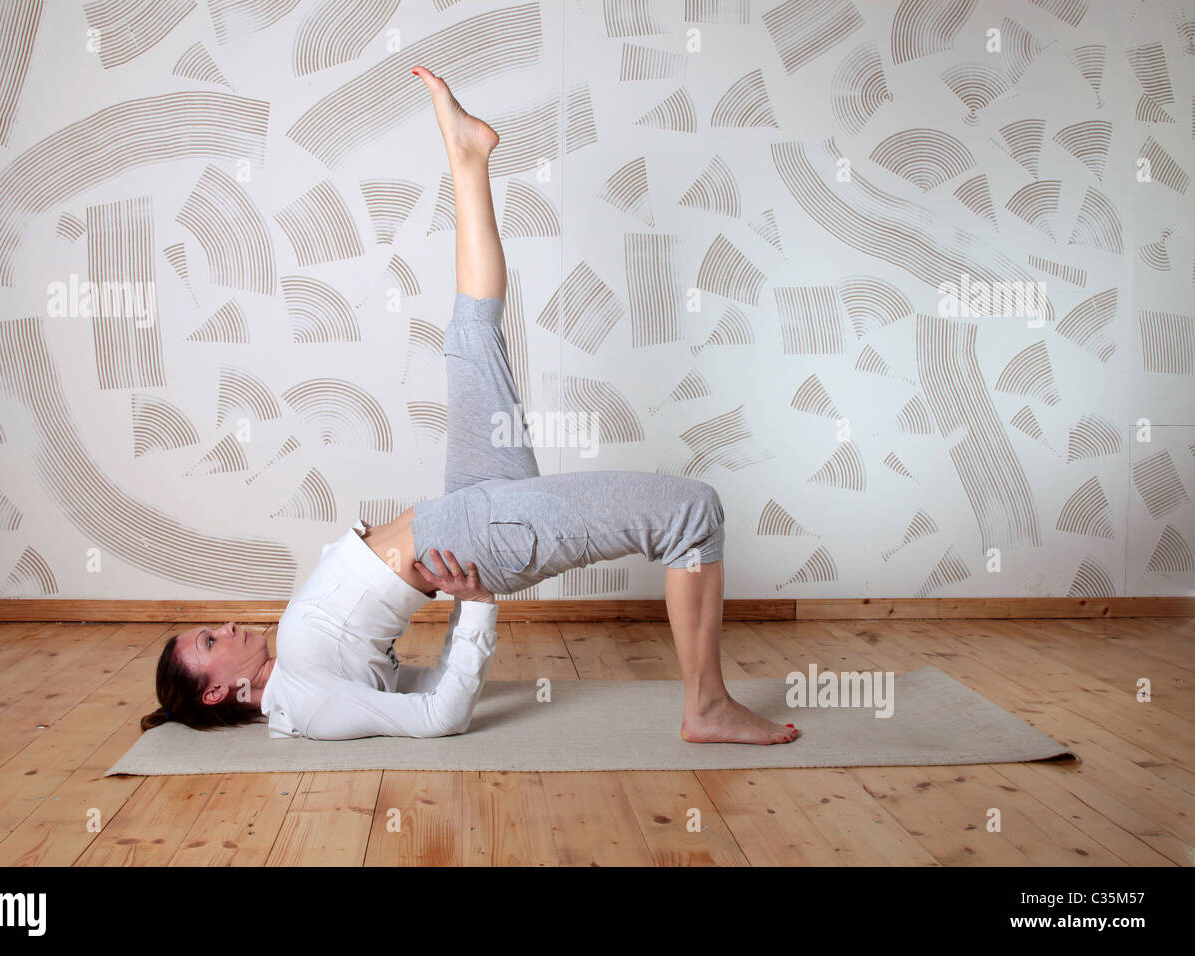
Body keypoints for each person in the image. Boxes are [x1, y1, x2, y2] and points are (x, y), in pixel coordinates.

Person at [141, 66, 801, 745]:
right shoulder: (304, 706)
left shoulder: (297, 672)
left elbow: (410, 685)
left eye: (211, 627)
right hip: (479, 535)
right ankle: (707, 706)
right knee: (692, 512)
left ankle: (467, 156)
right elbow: (437, 717)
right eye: (210, 641)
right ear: (218, 688)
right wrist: (478, 607)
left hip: (462, 509)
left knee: (472, 330)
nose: (225, 627)